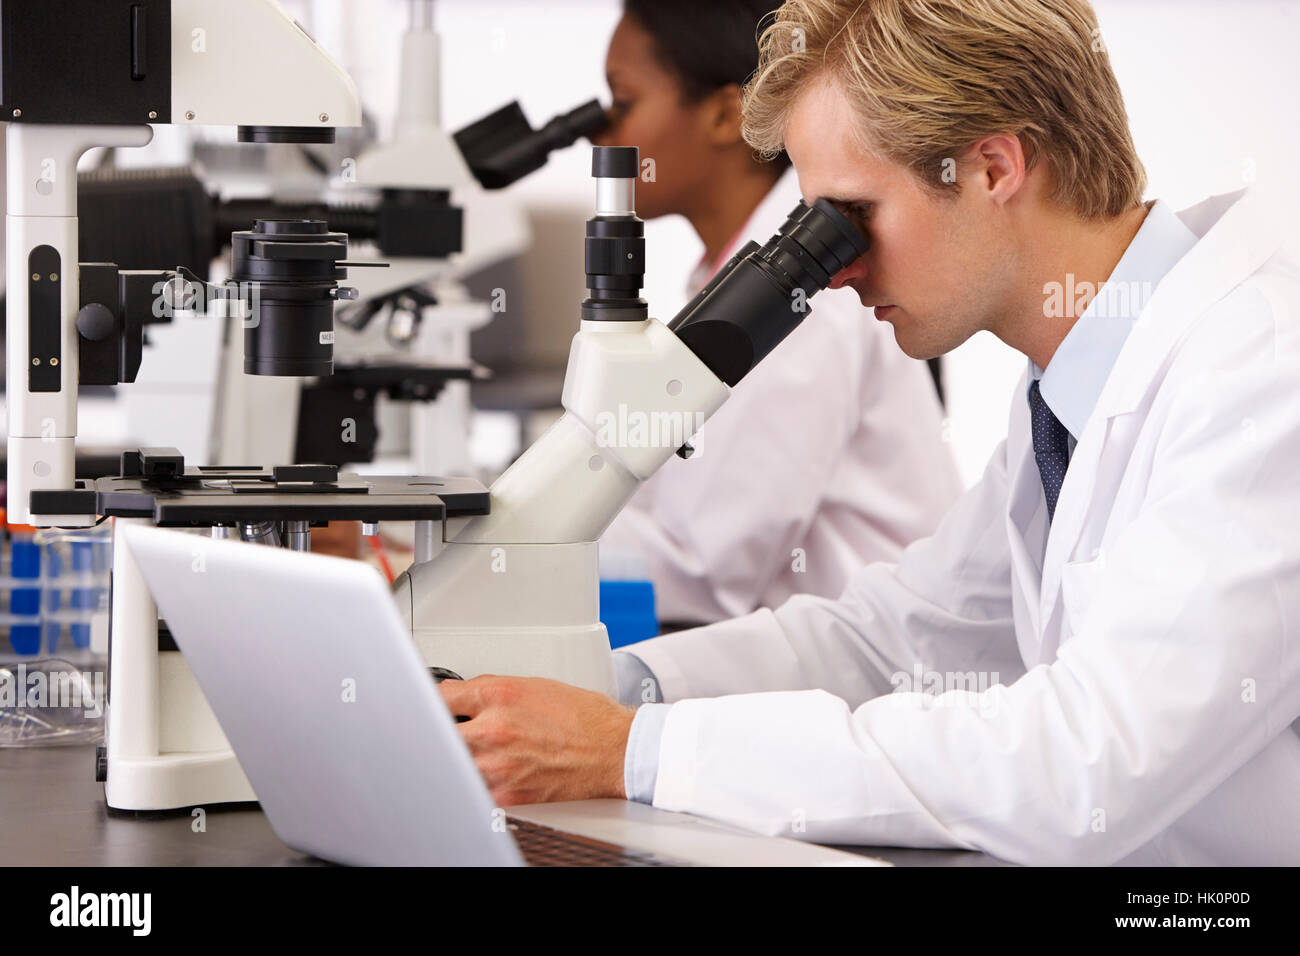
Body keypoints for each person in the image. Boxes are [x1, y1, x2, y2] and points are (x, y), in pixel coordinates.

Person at [441, 0, 1300, 865]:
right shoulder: (1069, 381)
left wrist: (634, 751)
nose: (839, 270)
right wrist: (611, 693)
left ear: (992, 166)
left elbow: (1087, 762)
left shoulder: (1259, 371)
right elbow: (897, 637)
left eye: (853, 214)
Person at [592, 0, 961, 626]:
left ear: (723, 115)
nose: (599, 134)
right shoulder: (734, 271)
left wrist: (476, 541)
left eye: (622, 102)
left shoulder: (801, 297)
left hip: (871, 685)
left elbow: (706, 570)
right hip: (799, 661)